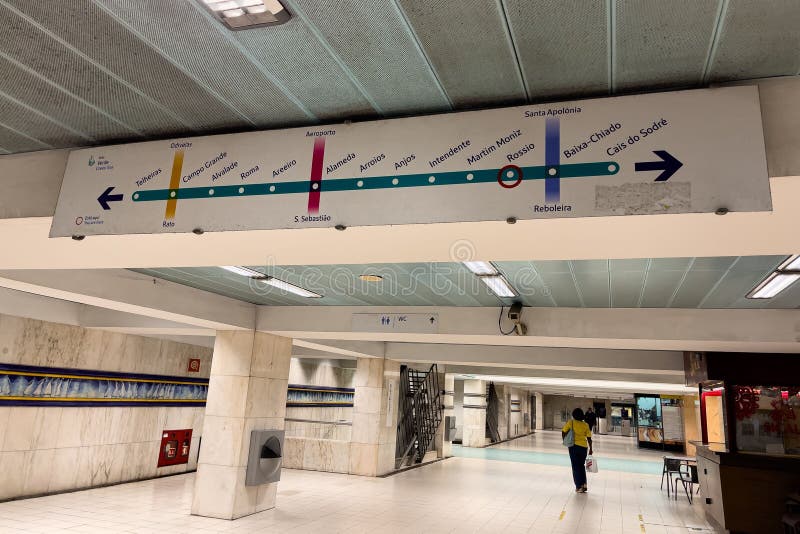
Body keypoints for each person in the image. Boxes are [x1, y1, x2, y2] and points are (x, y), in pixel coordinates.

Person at [562, 408, 593, 493]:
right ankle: (584, 484)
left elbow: (563, 431)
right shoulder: (585, 425)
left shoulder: (570, 422)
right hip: (583, 447)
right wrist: (591, 448)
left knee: (575, 467)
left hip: (573, 447)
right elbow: (589, 438)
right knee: (581, 466)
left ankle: (578, 486)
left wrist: (564, 440)